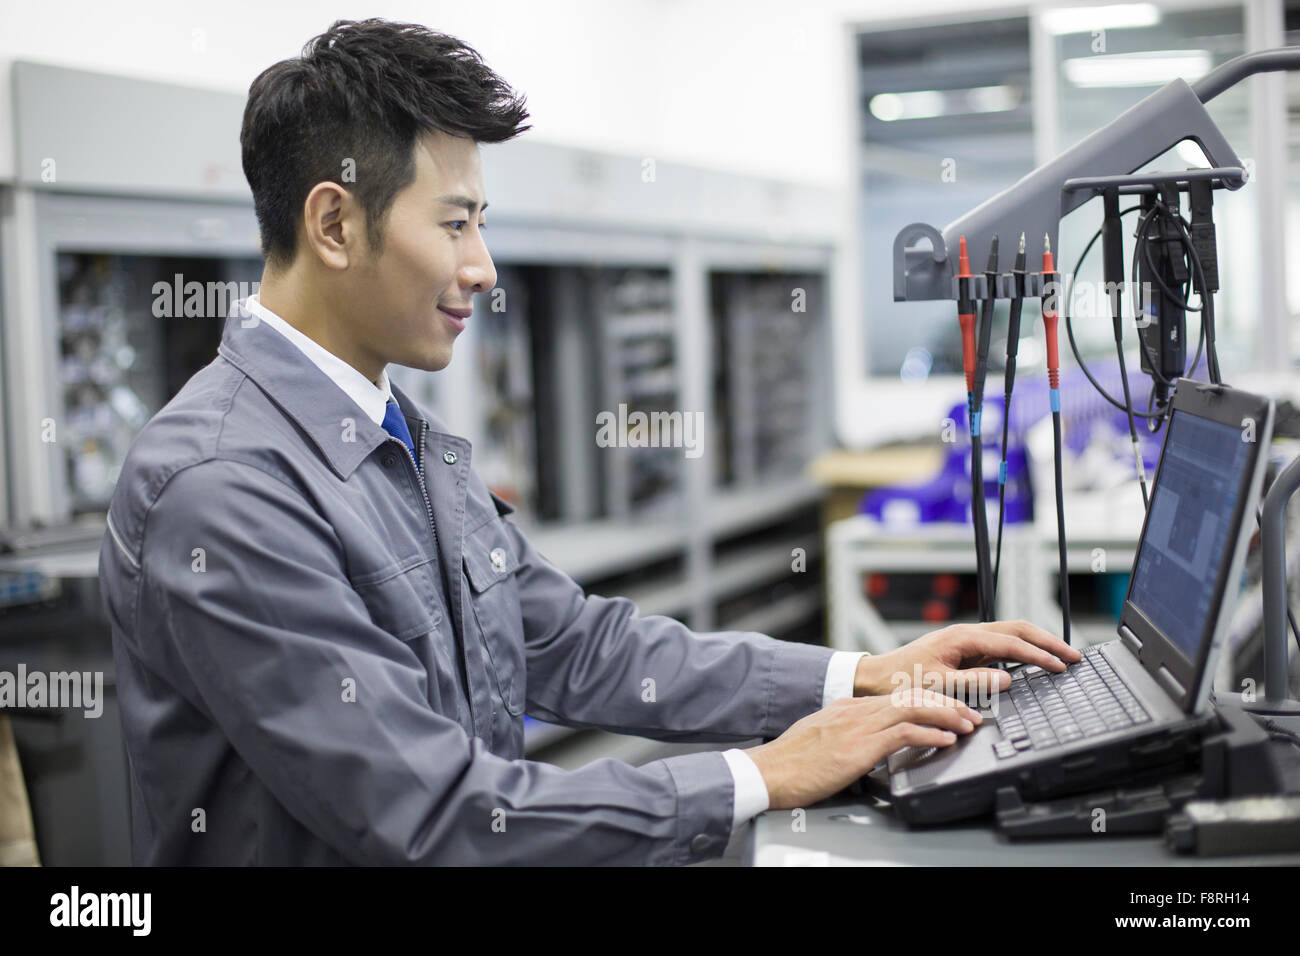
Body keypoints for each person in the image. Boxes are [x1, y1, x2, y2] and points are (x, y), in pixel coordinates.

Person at [98, 17, 1078, 866]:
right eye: (455, 224)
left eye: (481, 223)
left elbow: (570, 642)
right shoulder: (224, 490)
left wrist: (856, 673)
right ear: (335, 223)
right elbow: (431, 811)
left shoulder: (404, 438)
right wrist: (761, 774)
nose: (481, 268)